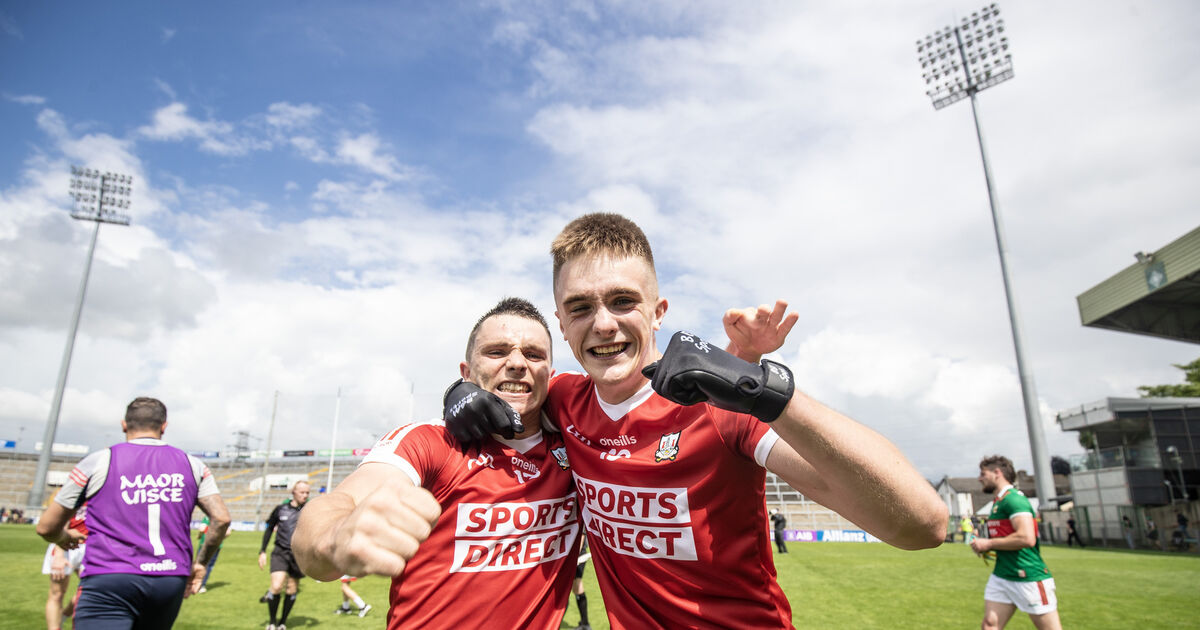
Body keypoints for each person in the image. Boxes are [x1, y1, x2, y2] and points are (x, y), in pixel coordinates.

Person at [443, 212, 947, 628]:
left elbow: (923, 524)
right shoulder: (565, 400)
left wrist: (763, 390)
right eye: (580, 307)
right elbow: (508, 385)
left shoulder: (721, 407)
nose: (602, 323)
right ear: (563, 324)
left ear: (658, 311)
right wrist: (459, 391)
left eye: (623, 301)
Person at [293, 298, 581, 629]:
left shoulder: (577, 449)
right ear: (466, 374)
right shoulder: (431, 441)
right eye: (497, 352)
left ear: (551, 374)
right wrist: (334, 538)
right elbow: (334, 510)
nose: (517, 362)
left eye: (533, 354)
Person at [35, 397, 230, 629]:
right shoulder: (193, 464)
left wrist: (63, 538)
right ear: (164, 426)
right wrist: (200, 563)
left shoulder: (98, 461)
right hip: (169, 578)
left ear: (124, 425)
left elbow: (46, 527)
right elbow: (221, 518)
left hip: (111, 575)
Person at [970, 455, 1060, 630]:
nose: (980, 478)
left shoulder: (1014, 500)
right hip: (1002, 574)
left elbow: (1026, 538)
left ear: (997, 473)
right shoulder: (998, 502)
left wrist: (988, 544)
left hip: (1027, 575)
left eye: (983, 474)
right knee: (990, 625)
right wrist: (984, 546)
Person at [260, 480, 311, 630]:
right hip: (280, 552)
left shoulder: (309, 511)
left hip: (298, 555)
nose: (305, 495)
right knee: (276, 586)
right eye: (302, 492)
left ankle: (282, 622)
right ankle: (272, 622)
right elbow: (269, 529)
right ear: (293, 493)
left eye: (307, 492)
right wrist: (262, 551)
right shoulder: (280, 509)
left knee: (291, 589)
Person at [42, 504, 86, 630]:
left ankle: (64, 616)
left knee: (88, 590)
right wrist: (59, 554)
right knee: (57, 594)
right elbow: (60, 520)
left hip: (90, 545)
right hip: (65, 543)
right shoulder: (75, 487)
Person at [196, 514, 228, 593]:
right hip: (216, 545)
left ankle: (193, 584)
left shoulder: (207, 517)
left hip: (204, 543)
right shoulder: (223, 518)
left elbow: (202, 529)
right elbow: (227, 532)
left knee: (199, 564)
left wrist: (199, 536)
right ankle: (202, 585)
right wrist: (220, 538)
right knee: (209, 565)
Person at [569, 538, 592, 630]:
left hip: (579, 556)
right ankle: (584, 623)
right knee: (576, 588)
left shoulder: (578, 523)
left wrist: (575, 556)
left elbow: (581, 537)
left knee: (577, 586)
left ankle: (585, 624)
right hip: (573, 556)